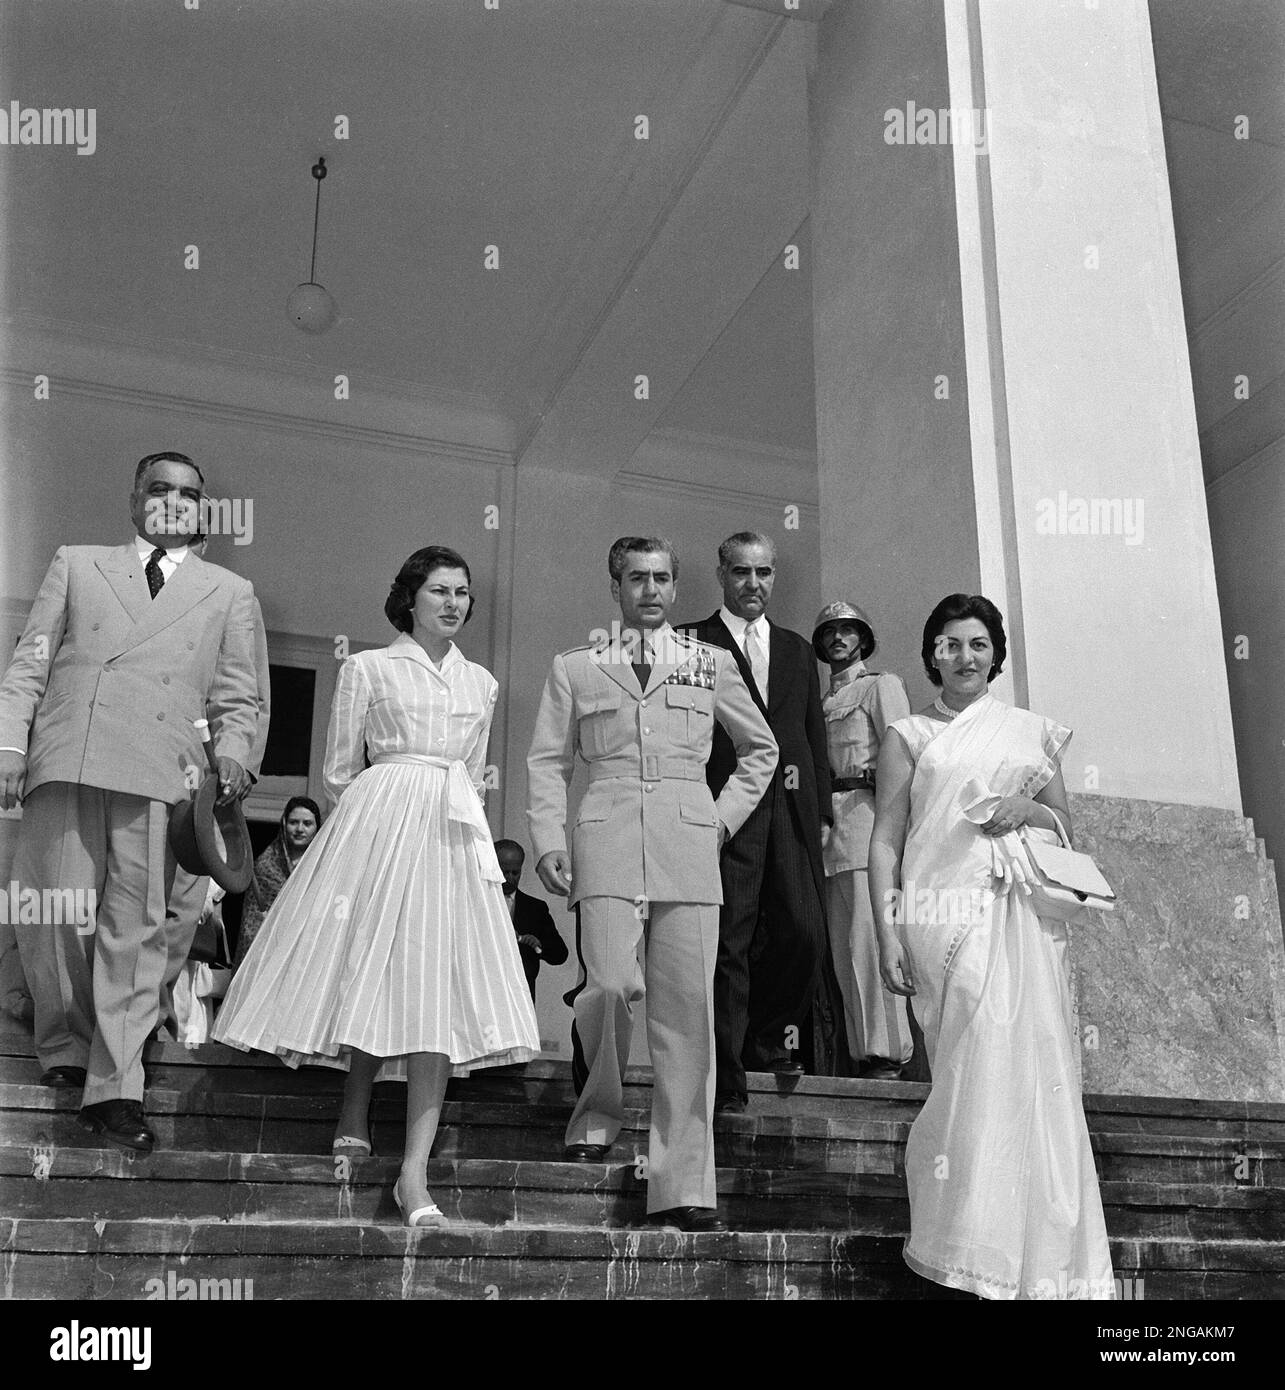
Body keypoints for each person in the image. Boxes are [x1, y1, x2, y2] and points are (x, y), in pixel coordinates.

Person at [214, 546, 538, 1227]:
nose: (453, 602)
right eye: (439, 590)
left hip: (452, 833)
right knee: (372, 960)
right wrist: (384, 815)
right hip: (382, 818)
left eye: (462, 592)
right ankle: (354, 1103)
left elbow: (473, 772)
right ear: (409, 598)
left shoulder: (482, 682)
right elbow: (338, 770)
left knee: (437, 984)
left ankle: (413, 1173)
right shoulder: (366, 667)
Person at [0, 451, 260, 1153]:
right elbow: (29, 661)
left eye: (188, 494)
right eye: (160, 488)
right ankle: (64, 1041)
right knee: (57, 911)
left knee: (135, 932)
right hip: (68, 755)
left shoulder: (229, 593)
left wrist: (234, 753)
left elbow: (239, 696)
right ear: (135, 498)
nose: (174, 501)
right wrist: (9, 747)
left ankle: (116, 1087)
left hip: (161, 770)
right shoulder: (78, 564)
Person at [527, 536, 777, 1231]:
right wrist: (550, 840)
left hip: (687, 845)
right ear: (615, 587)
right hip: (604, 840)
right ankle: (596, 1117)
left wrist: (719, 821)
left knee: (687, 1011)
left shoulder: (710, 663)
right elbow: (547, 762)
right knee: (607, 986)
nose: (650, 590)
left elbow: (761, 750)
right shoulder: (577, 667)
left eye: (662, 578)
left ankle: (682, 1180)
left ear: (673, 587)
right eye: (636, 578)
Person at [868, 593, 1114, 1299]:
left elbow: (1062, 822)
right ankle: (960, 1240)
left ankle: (1014, 1255)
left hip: (1018, 918)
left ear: (995, 653)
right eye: (949, 644)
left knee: (1025, 1071)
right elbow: (884, 839)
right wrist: (886, 929)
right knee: (965, 1065)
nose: (963, 657)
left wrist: (1025, 808)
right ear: (931, 653)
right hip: (937, 916)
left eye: (977, 644)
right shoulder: (908, 734)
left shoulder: (1029, 733)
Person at [680, 532, 831, 1113]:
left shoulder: (797, 649)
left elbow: (811, 733)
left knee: (804, 932)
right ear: (721, 573)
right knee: (729, 938)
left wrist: (820, 813)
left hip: (791, 807)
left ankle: (767, 1038)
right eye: (741, 572)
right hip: (723, 803)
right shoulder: (691, 641)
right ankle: (727, 1064)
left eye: (764, 573)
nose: (753, 584)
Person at [813, 601, 913, 1079]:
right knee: (844, 947)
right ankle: (860, 1052)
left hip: (868, 821)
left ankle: (888, 1052)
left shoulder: (880, 686)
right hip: (830, 827)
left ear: (862, 638)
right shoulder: (820, 702)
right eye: (829, 631)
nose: (837, 638)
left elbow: (906, 754)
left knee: (872, 942)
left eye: (847, 630)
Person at [233, 796, 322, 966]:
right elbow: (252, 921)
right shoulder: (266, 865)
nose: (300, 829)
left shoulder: (325, 865)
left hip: (307, 952)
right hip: (267, 952)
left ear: (317, 828)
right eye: (294, 822)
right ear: (283, 824)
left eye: (307, 824)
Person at [494, 839, 568, 1000]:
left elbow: (560, 954)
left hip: (522, 996)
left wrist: (539, 944)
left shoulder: (535, 908)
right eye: (504, 872)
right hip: (485, 990)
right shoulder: (474, 903)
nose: (509, 878)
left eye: (515, 873)